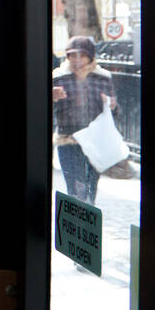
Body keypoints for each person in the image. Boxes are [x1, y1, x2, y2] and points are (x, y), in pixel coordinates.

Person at [52, 35, 118, 205]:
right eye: (72, 55)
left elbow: (115, 111)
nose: (77, 60)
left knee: (91, 189)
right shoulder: (59, 77)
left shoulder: (102, 77)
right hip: (69, 140)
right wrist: (51, 96)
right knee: (75, 190)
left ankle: (87, 226)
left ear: (90, 56)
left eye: (82, 55)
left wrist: (112, 104)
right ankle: (75, 225)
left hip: (95, 140)